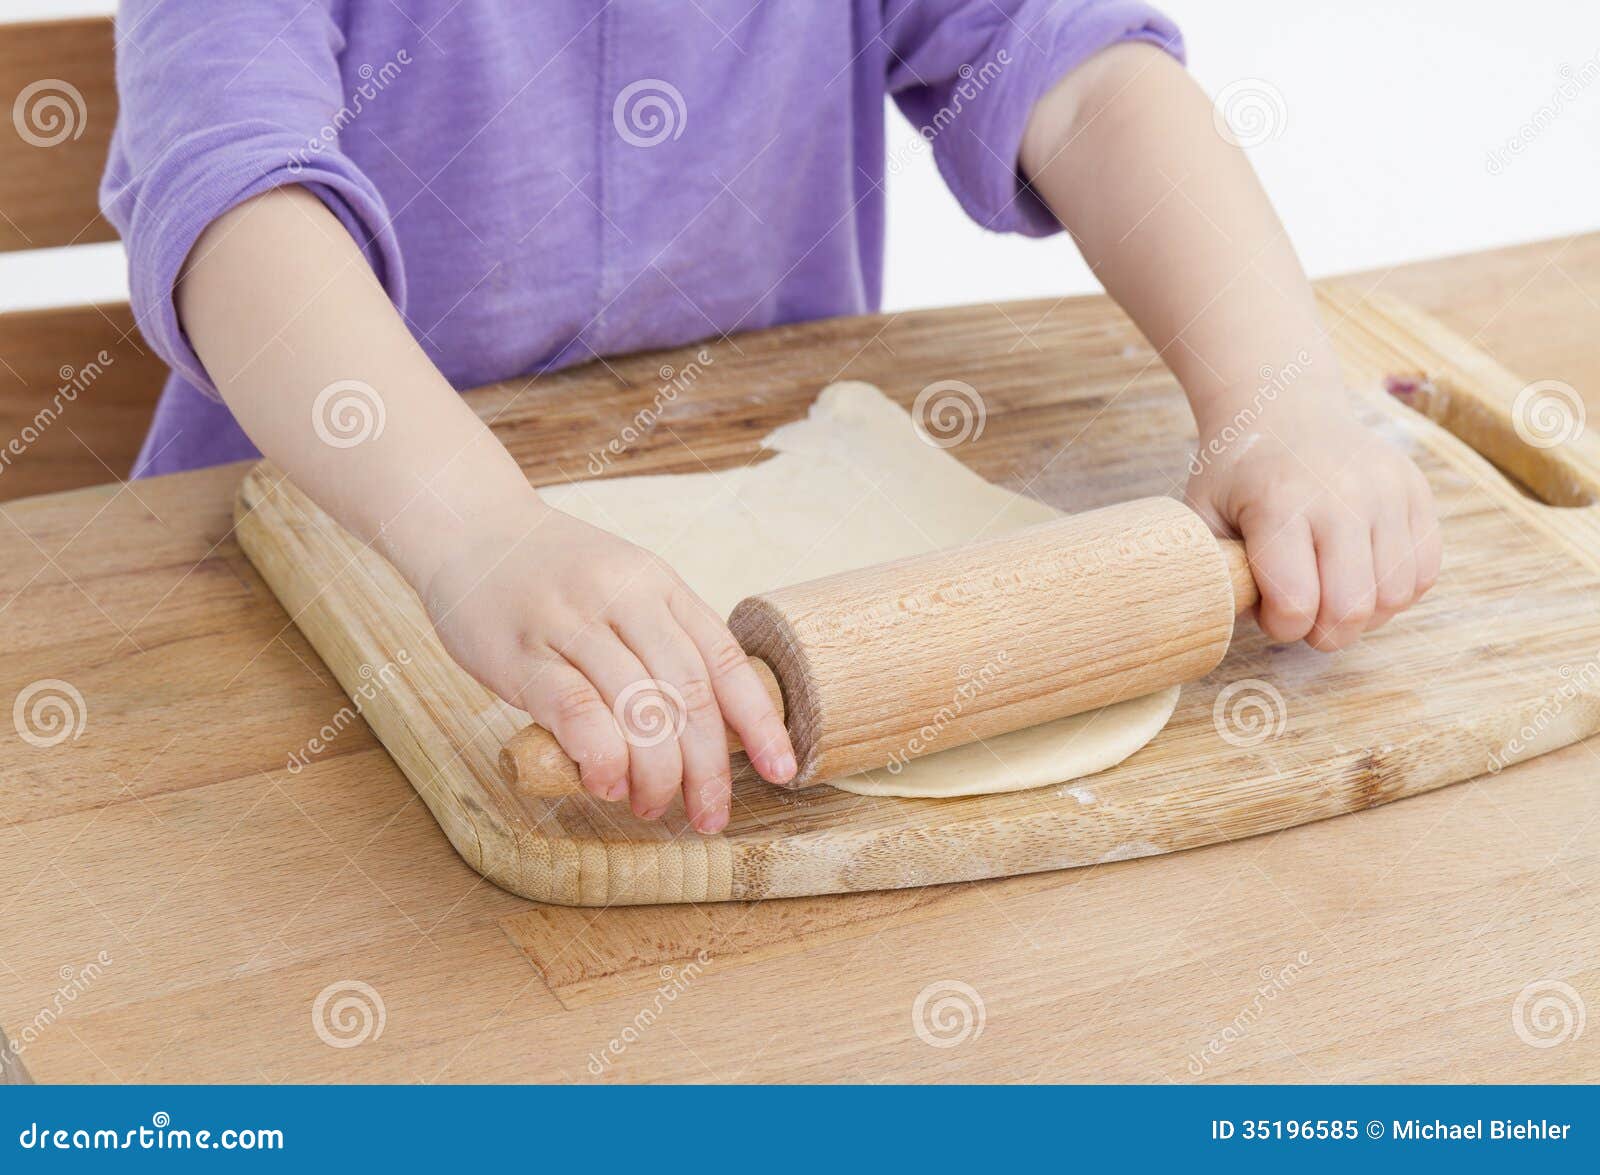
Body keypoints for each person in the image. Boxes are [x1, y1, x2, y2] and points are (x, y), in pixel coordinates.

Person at [102, 2, 1440, 834]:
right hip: (282, 603)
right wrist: (480, 537)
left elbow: (1084, 79)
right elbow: (232, 204)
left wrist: (1280, 399)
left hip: (771, 563)